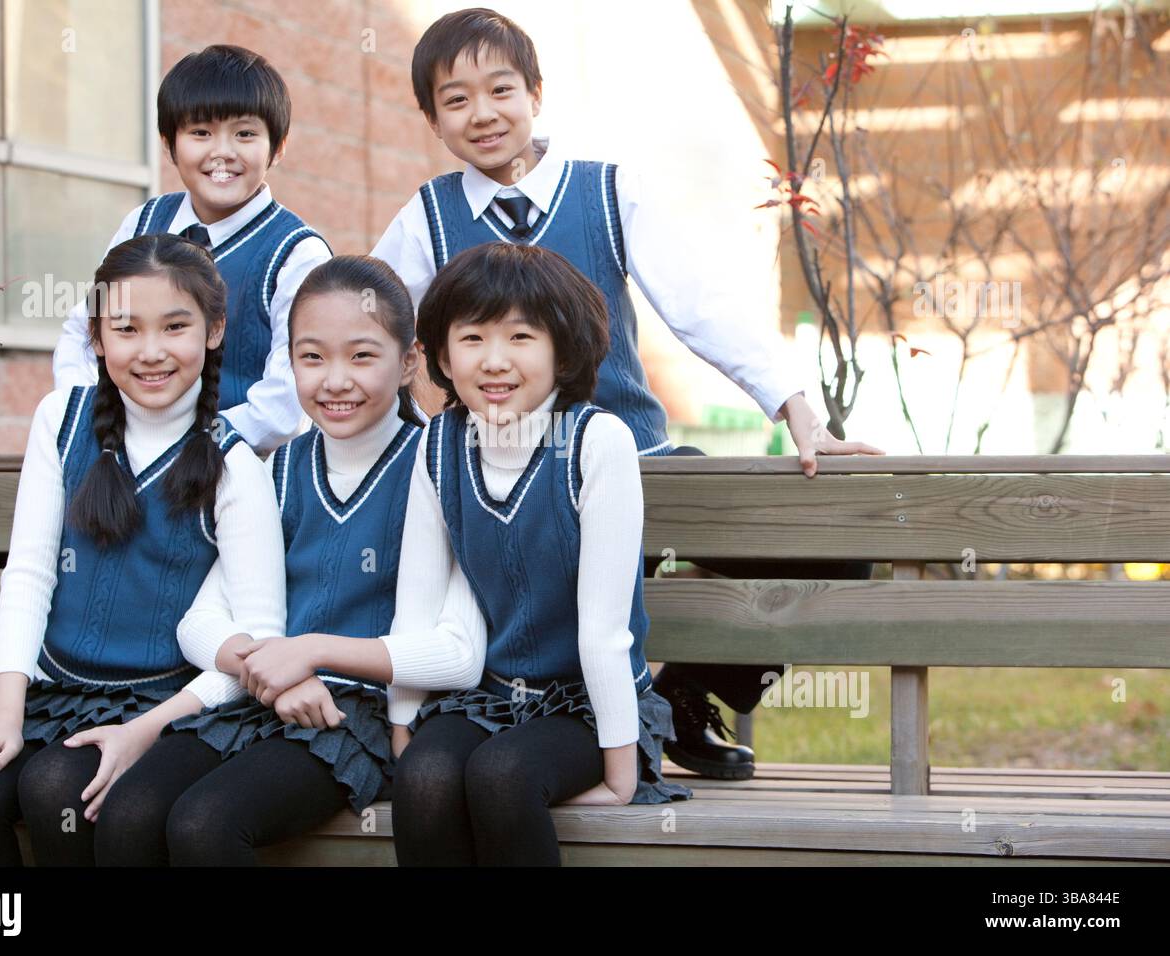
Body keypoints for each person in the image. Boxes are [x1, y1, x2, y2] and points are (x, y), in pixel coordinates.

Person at [372, 7, 883, 780]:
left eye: (500, 88)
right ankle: (529, 737)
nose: (482, 113)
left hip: (635, 465)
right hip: (502, 484)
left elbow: (699, 304)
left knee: (839, 542)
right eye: (455, 99)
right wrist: (408, 431)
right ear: (432, 118)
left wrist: (794, 405)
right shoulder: (427, 219)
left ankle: (679, 696)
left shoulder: (607, 193)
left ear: (536, 93)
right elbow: (370, 331)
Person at [94, 255, 482, 865]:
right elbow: (199, 623)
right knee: (128, 815)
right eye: (311, 357)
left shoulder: (438, 470)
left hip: (363, 719)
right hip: (264, 701)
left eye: (361, 356)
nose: (334, 380)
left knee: (204, 825)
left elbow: (457, 652)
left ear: (409, 360)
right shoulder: (273, 471)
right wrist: (275, 668)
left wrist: (309, 652)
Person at [0, 234, 285, 866]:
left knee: (56, 792)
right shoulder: (60, 421)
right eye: (126, 329)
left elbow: (258, 641)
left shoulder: (233, 464)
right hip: (53, 691)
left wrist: (146, 729)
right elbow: (31, 572)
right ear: (97, 339)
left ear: (213, 331)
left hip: (167, 705)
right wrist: (4, 713)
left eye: (175, 326)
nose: (151, 352)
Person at [390, 241, 690, 867]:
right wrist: (403, 726)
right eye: (471, 338)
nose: (494, 361)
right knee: (423, 779)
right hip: (491, 694)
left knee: (502, 777)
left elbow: (606, 629)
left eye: (520, 337)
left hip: (589, 705)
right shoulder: (438, 444)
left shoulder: (594, 442)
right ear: (442, 354)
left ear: (563, 348)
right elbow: (415, 605)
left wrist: (620, 772)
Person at [52, 44, 330, 457]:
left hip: (239, 471)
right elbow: (84, 330)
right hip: (128, 464)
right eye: (200, 133)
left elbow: (284, 405)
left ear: (279, 145)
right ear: (169, 144)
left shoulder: (296, 253)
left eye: (245, 133)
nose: (222, 152)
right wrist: (94, 418)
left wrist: (182, 444)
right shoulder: (144, 223)